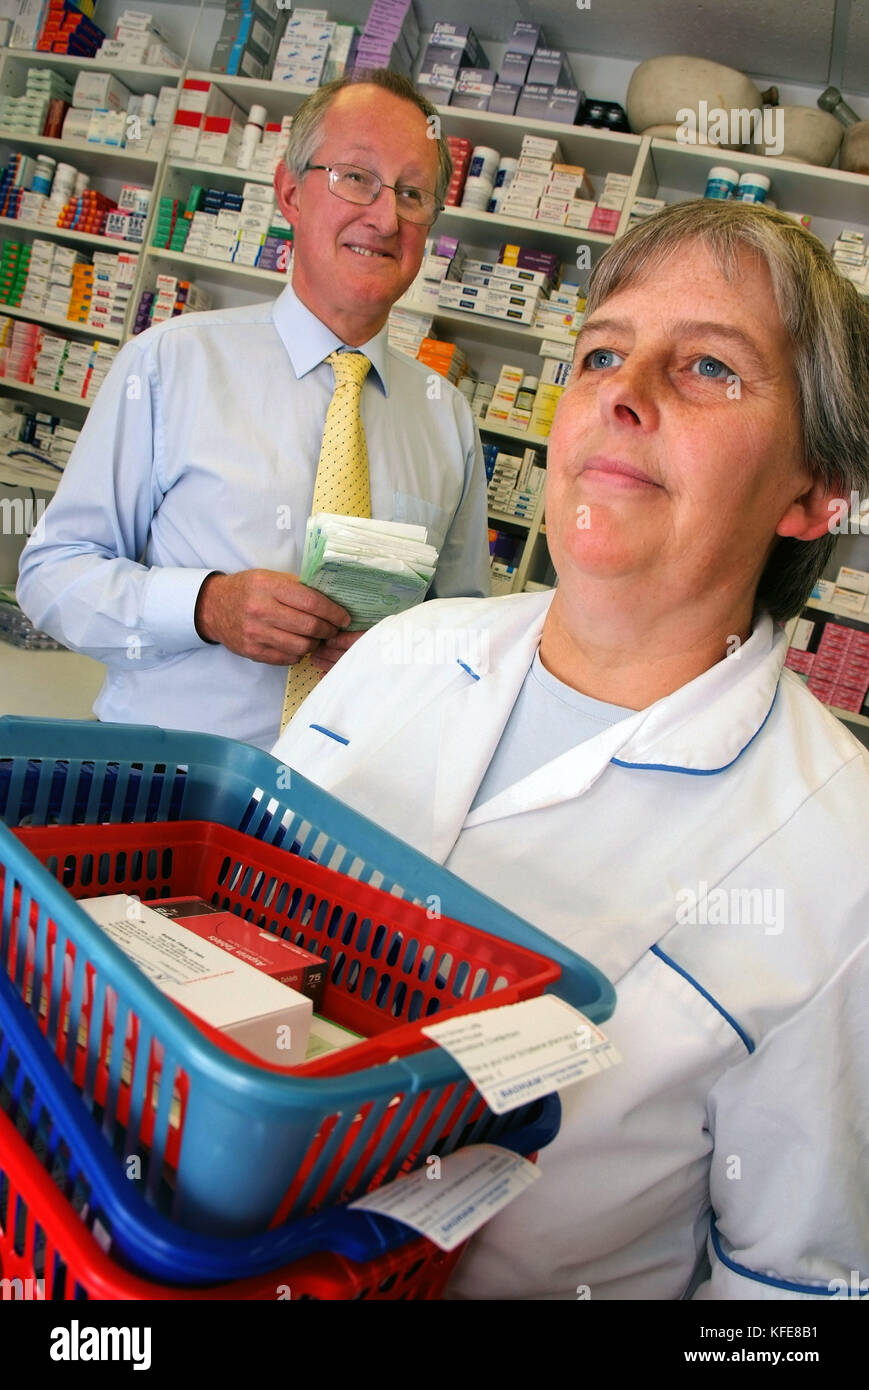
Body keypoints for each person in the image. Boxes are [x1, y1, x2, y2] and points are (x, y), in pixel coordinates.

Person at [272, 199, 869, 1300]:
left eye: (707, 369)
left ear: (813, 493)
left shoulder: (843, 863)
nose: (621, 393)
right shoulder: (398, 654)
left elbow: (790, 1288)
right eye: (601, 351)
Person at [16, 71, 490, 751]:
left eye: (412, 194)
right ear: (291, 193)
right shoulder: (170, 364)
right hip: (164, 785)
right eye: (355, 177)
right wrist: (205, 606)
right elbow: (52, 572)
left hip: (347, 801)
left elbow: (464, 632)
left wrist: (406, 656)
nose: (385, 217)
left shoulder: (447, 421)